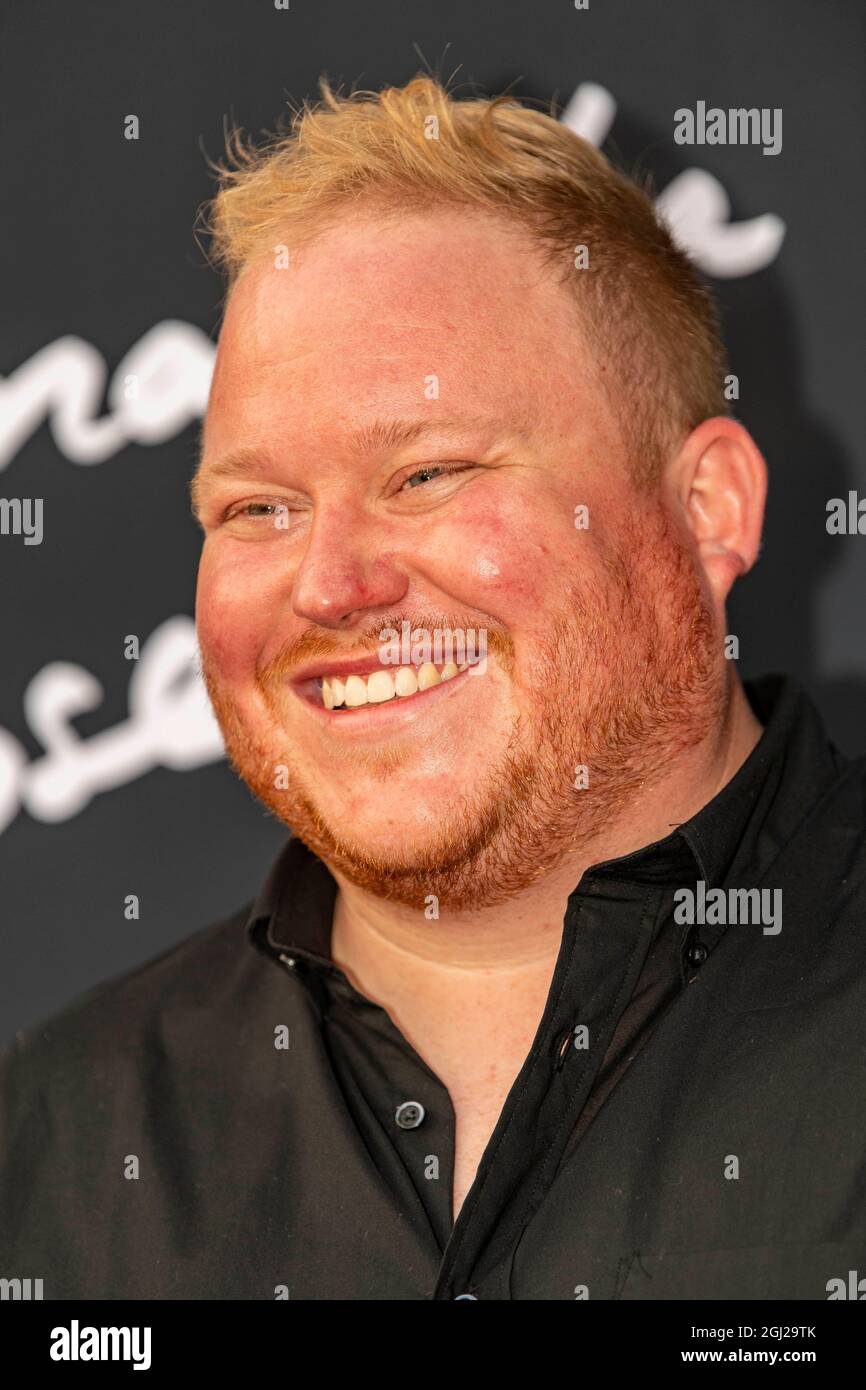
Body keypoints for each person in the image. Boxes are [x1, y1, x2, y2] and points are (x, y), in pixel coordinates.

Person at [2, 75, 864, 1301]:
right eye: (258, 507)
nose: (331, 585)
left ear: (706, 507)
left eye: (426, 474)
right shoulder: (49, 1148)